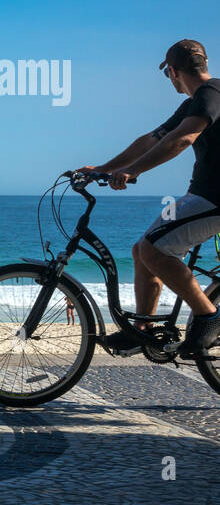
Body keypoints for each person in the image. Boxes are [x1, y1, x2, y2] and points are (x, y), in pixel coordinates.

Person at [83, 40, 220, 357]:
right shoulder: (194, 103)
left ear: (172, 72)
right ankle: (141, 330)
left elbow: (184, 139)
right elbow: (152, 139)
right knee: (142, 249)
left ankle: (207, 314)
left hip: (214, 199)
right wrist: (104, 168)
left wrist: (133, 171)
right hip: (200, 197)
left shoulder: (211, 93)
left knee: (153, 249)